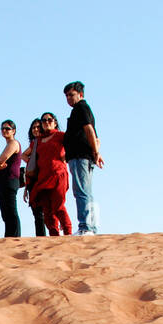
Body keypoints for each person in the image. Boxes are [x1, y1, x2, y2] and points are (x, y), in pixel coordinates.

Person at [63, 81, 103, 235]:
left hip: (80, 156)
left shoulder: (81, 108)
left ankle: (86, 227)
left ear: (80, 94)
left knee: (82, 191)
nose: (69, 98)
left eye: (71, 95)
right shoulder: (80, 110)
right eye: (66, 96)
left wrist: (96, 151)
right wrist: (96, 152)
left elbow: (90, 130)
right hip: (81, 156)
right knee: (85, 191)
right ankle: (90, 227)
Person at [30, 113, 73, 235]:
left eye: (49, 120)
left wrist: (66, 156)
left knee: (58, 206)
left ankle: (68, 233)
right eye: (44, 120)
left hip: (58, 174)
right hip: (43, 178)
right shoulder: (37, 141)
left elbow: (75, 143)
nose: (46, 122)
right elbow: (26, 155)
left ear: (55, 122)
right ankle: (54, 236)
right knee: (47, 212)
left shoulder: (60, 135)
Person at [0, 120, 22, 238]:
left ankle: (14, 238)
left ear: (13, 131)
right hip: (3, 181)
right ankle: (9, 236)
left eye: (7, 128)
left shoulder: (13, 143)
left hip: (10, 180)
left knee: (11, 211)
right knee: (5, 212)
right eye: (3, 129)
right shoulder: (8, 145)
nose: (4, 130)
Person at [21, 119, 46, 237]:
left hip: (44, 178)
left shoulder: (45, 141)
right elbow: (23, 155)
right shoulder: (34, 143)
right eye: (33, 128)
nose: (35, 129)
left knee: (47, 211)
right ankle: (41, 237)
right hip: (33, 180)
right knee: (37, 212)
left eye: (38, 127)